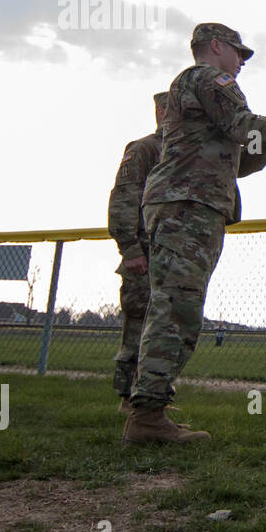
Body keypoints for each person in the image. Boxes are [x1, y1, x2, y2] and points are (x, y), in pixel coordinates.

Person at [123, 23, 266, 444]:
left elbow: (242, 158)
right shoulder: (208, 79)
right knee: (176, 309)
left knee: (175, 306)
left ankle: (150, 408)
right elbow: (246, 129)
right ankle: (147, 417)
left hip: (189, 204)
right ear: (215, 47)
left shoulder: (196, 88)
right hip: (189, 206)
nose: (241, 63)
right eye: (238, 53)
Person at [107, 92, 167, 411]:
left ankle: (151, 396)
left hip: (169, 254)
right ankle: (128, 398)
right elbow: (123, 199)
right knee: (138, 327)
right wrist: (130, 248)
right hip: (143, 253)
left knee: (162, 328)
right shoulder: (144, 149)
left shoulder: (182, 150)